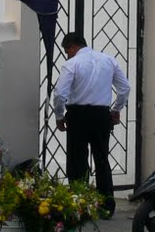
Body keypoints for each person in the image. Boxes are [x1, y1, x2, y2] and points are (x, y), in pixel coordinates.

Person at [51, 31, 131, 216]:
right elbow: (124, 88)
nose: (67, 54)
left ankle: (81, 205)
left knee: (77, 160)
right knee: (102, 159)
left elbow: (60, 94)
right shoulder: (109, 60)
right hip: (102, 115)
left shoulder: (72, 64)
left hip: (78, 115)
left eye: (67, 50)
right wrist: (116, 109)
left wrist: (59, 116)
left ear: (72, 47)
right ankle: (106, 206)